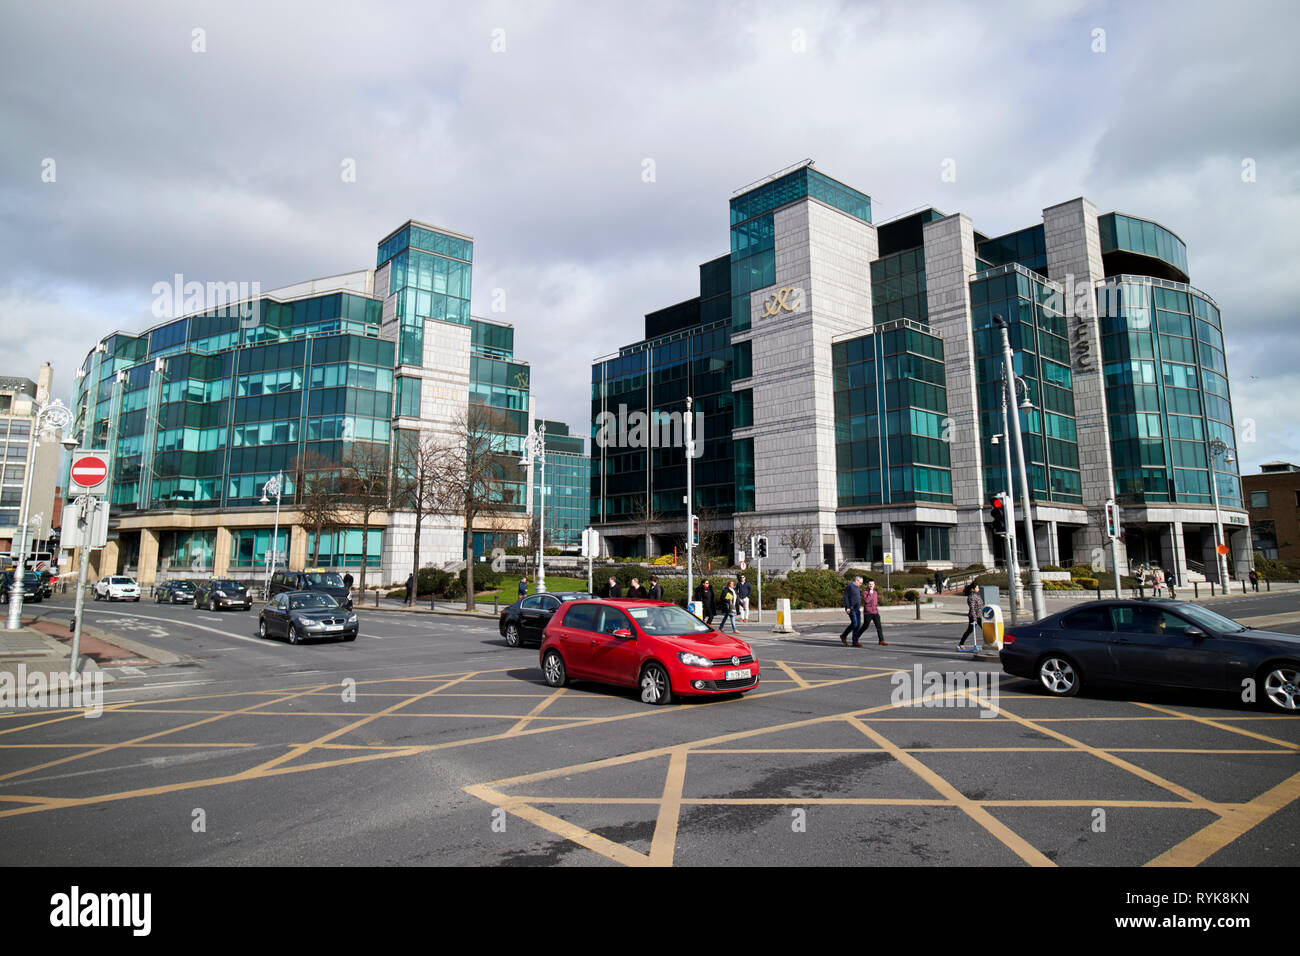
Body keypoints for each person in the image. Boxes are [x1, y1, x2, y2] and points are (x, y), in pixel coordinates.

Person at [957, 581, 983, 651]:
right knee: (970, 630)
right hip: (974, 616)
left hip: (979, 616)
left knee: (984, 629)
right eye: (977, 588)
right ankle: (961, 643)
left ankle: (961, 643)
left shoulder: (977, 595)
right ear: (973, 589)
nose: (978, 589)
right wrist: (974, 618)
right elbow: (972, 608)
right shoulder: (971, 597)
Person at [861, 579, 886, 645]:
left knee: (879, 626)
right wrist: (870, 593)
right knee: (865, 626)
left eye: (872, 584)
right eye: (870, 584)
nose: (871, 585)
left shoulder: (875, 592)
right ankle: (856, 637)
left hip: (875, 612)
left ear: (874, 585)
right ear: (868, 585)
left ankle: (881, 640)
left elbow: (875, 602)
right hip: (868, 612)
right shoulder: (865, 592)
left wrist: (876, 609)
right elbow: (867, 601)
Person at [840, 575, 863, 647]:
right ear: (856, 581)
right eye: (860, 583)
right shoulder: (850, 586)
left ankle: (855, 641)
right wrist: (848, 607)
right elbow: (846, 597)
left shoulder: (857, 587)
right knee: (854, 623)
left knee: (858, 624)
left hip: (857, 608)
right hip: (851, 608)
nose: (861, 584)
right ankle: (844, 635)